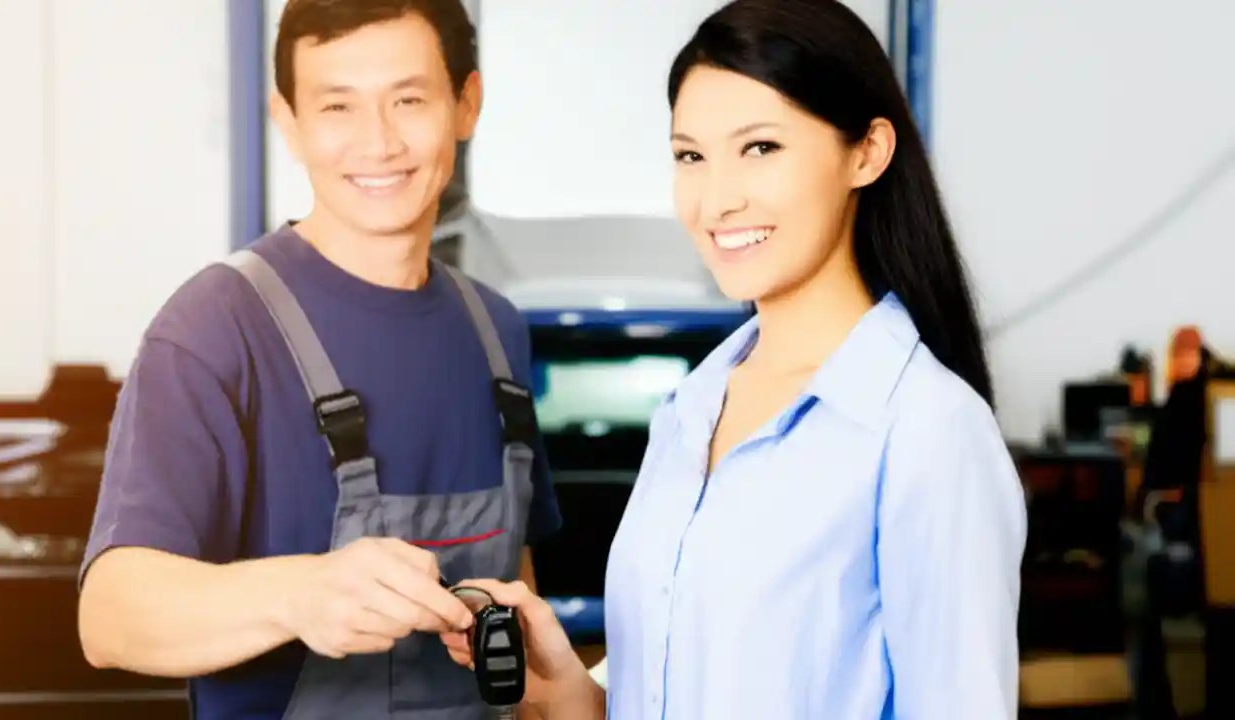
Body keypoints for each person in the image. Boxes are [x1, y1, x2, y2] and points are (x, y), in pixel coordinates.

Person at [441, 1, 1028, 718]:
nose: (717, 199)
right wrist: (570, 690)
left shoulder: (927, 432)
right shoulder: (691, 412)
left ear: (867, 153)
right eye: (691, 156)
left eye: (760, 148)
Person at [76, 1, 561, 718]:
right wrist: (300, 596)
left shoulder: (495, 330)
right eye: (338, 106)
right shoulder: (215, 327)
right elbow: (110, 617)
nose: (377, 143)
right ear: (288, 121)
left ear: (467, 104)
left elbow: (516, 579)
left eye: (408, 99)